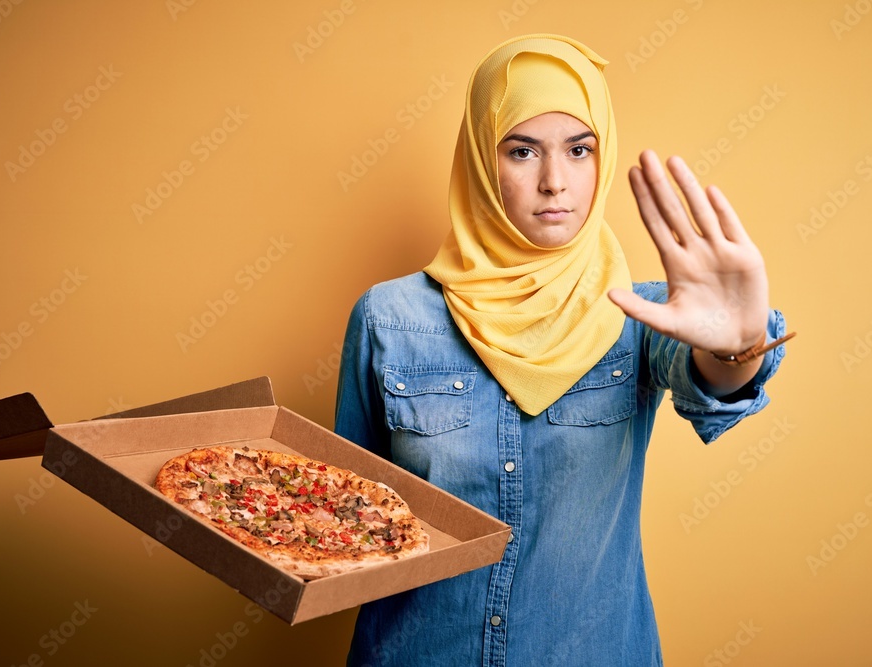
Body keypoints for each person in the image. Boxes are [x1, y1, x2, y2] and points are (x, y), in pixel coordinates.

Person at [334, 33, 792, 667]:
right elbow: (344, 510)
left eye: (580, 150)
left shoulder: (645, 314)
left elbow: (709, 378)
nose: (555, 182)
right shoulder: (390, 316)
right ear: (478, 162)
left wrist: (737, 346)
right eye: (522, 151)